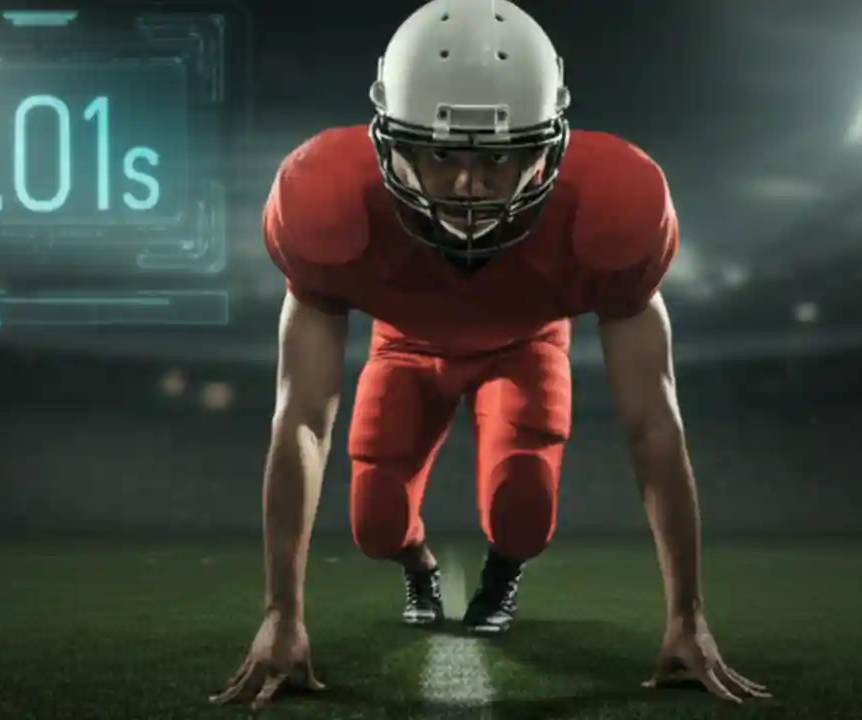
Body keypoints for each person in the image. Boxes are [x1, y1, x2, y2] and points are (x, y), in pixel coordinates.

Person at [212, 0, 769, 710]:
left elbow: (654, 425)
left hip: (526, 347)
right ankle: (419, 566)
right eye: (443, 153)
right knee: (375, 524)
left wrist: (687, 613)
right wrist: (282, 612)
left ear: (547, 147)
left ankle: (502, 572)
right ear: (391, 142)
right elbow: (300, 421)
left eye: (499, 156)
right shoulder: (327, 201)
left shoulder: (611, 209)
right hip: (405, 346)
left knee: (522, 510)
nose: (469, 185)